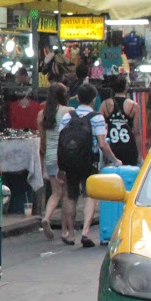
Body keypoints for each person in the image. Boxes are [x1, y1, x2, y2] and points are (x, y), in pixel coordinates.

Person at [56, 82, 117, 247]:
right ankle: (85, 232)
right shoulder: (97, 117)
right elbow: (103, 144)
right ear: (93, 99)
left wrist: (60, 165)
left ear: (79, 98)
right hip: (89, 161)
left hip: (69, 161)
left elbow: (61, 141)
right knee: (89, 195)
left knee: (70, 196)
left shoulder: (68, 115)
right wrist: (115, 160)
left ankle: (70, 234)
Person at [38, 82, 68, 240]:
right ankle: (64, 230)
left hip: (50, 156)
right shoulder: (68, 111)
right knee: (65, 195)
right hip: (63, 157)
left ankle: (46, 217)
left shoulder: (42, 114)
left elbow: (42, 141)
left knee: (55, 193)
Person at [97, 79, 141, 169]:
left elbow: (100, 126)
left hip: (112, 147)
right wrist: (140, 153)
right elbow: (136, 132)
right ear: (126, 88)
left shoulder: (105, 104)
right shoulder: (134, 106)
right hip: (129, 147)